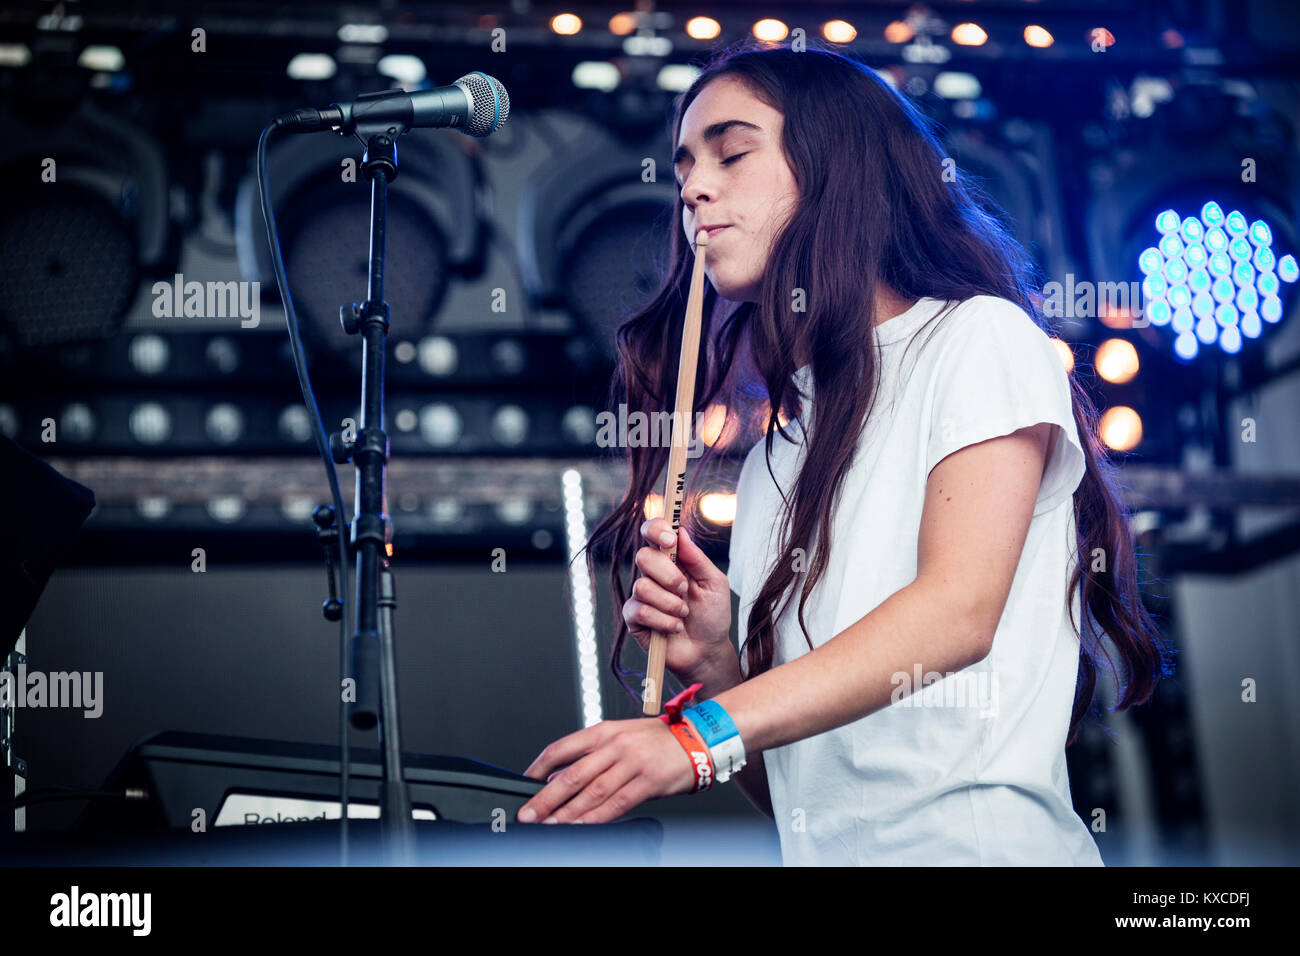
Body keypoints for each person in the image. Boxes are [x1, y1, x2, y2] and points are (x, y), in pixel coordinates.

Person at [516, 43, 1170, 865]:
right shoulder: (773, 459)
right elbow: (795, 798)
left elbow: (956, 615)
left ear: (838, 166)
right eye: (683, 167)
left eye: (733, 152)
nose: (692, 188)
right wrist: (719, 663)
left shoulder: (975, 338)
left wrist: (695, 735)